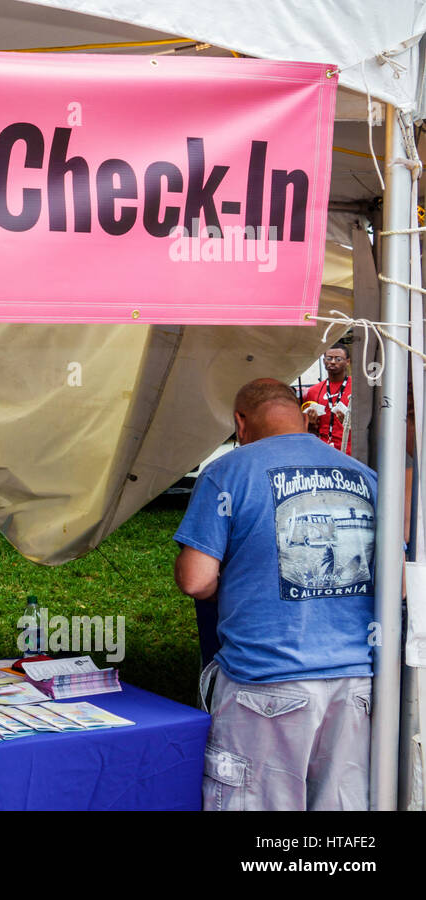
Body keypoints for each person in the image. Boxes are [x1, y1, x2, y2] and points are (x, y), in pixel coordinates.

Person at [174, 378, 376, 810]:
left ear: (239, 422)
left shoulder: (227, 471)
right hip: (357, 680)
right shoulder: (365, 476)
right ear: (304, 415)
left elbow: (196, 579)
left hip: (265, 678)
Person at [302, 343, 353, 454]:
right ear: (324, 361)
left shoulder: (357, 387)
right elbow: (309, 430)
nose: (333, 362)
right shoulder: (314, 391)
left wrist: (349, 423)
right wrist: (311, 423)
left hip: (349, 451)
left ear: (347, 362)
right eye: (329, 358)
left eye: (338, 359)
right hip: (323, 451)